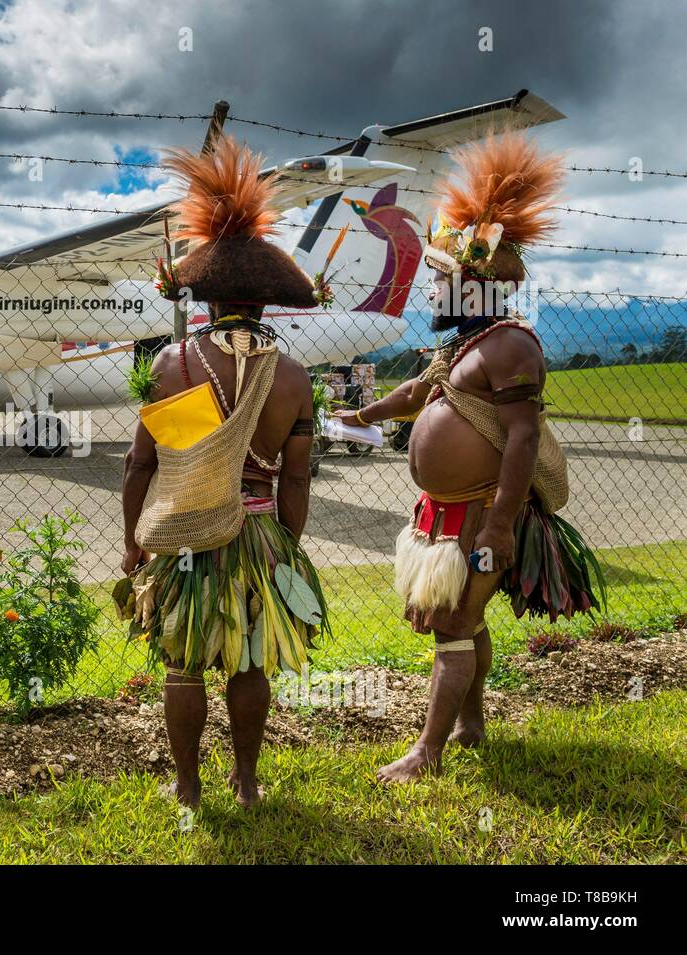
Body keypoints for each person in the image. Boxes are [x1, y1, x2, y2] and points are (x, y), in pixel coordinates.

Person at [334, 130, 603, 783]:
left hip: (483, 513)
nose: (431, 291)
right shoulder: (463, 347)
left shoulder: (512, 347)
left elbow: (523, 439)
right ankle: (470, 720)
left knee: (455, 619)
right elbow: (417, 391)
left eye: (441, 280)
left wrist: (500, 523)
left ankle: (427, 752)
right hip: (441, 513)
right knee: (462, 621)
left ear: (475, 283)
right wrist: (361, 416)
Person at [120, 134, 327, 809]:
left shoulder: (171, 365)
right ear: (265, 302)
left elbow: (140, 464)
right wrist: (287, 544)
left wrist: (133, 542)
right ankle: (246, 779)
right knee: (249, 657)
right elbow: (295, 480)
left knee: (183, 662)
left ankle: (186, 786)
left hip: (184, 539)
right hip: (262, 533)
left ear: (205, 298)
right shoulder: (293, 375)